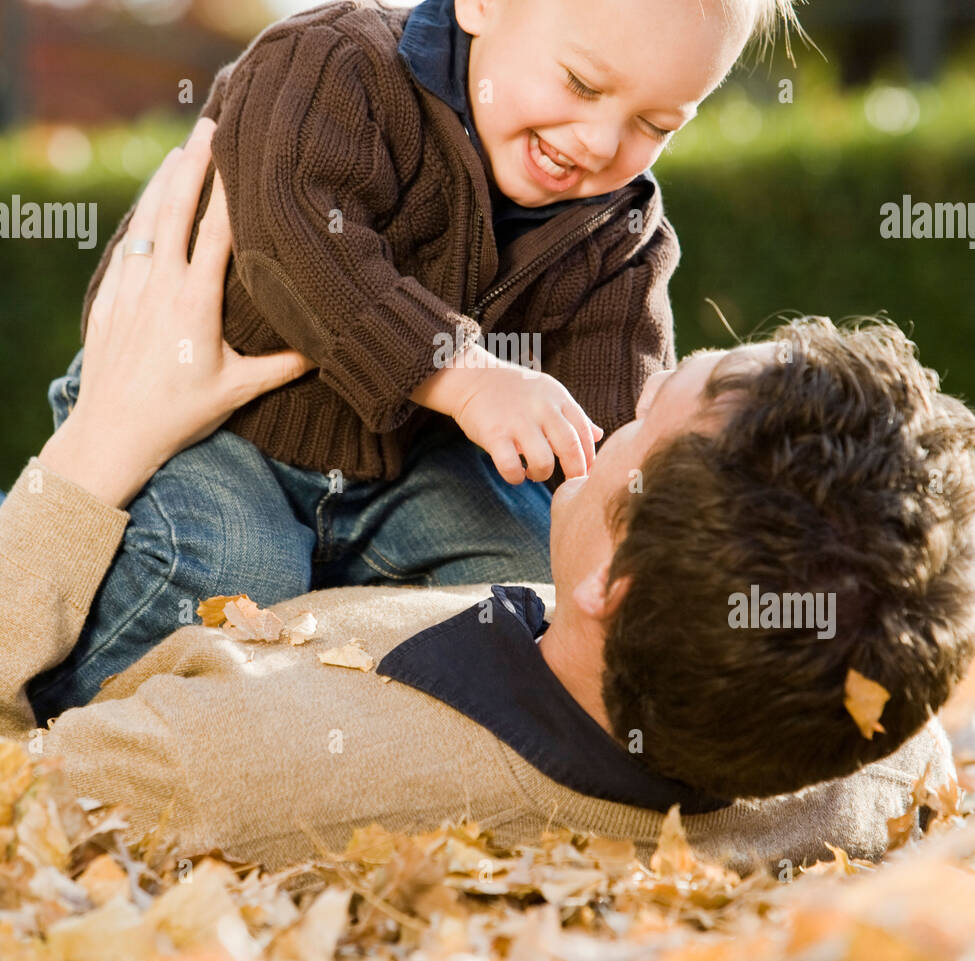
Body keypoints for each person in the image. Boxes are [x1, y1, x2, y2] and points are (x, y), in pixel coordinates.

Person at [29, 0, 802, 719]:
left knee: (525, 569)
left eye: (656, 121)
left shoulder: (618, 234)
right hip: (213, 429)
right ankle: (69, 707)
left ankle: (397, 732)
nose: (602, 143)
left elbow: (612, 425)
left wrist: (644, 522)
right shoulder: (336, 65)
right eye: (581, 81)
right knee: (231, 576)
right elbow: (298, 246)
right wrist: (466, 374)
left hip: (404, 472)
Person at [4, 133, 972, 875]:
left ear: (613, 577)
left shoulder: (217, 765)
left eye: (649, 420)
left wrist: (98, 443)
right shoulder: (872, 756)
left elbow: (16, 808)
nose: (624, 411)